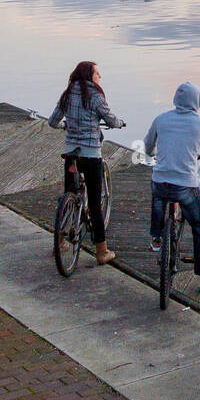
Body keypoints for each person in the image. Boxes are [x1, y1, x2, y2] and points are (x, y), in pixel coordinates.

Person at [144, 82, 200, 293]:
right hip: (186, 185)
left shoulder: (161, 119)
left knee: (159, 194)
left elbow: (147, 146)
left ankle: (156, 238)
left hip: (160, 180)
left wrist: (153, 154)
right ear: (197, 101)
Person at [48, 61, 125, 264]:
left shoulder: (67, 95)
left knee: (69, 194)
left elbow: (52, 122)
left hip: (71, 154)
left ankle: (60, 242)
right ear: (90, 76)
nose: (100, 76)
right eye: (97, 73)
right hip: (91, 155)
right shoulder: (96, 97)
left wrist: (67, 126)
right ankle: (101, 252)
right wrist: (119, 123)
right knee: (94, 203)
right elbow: (110, 120)